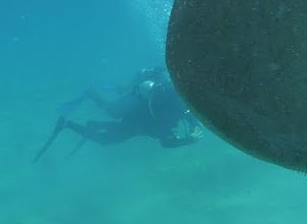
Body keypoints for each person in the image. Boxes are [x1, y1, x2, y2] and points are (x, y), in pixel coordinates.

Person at [32, 67, 202, 162]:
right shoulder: (171, 109)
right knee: (105, 140)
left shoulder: (178, 103)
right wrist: (190, 139)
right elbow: (166, 142)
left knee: (118, 125)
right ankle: (67, 123)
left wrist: (194, 125)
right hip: (136, 122)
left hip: (136, 122)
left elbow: (188, 115)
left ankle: (93, 123)